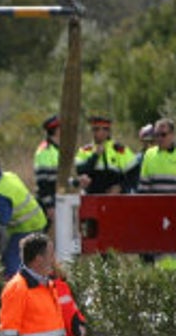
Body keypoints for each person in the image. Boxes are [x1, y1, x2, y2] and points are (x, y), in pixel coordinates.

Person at [0, 155, 47, 278]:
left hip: (26, 227)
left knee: (11, 259)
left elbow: (3, 220)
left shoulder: (0, 193)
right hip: (37, 221)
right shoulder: (8, 176)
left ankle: (15, 286)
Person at [138, 118, 176, 269]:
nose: (159, 138)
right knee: (155, 261)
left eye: (163, 134)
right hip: (155, 217)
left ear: (172, 135)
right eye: (156, 135)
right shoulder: (149, 155)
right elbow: (143, 189)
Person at [74, 115, 134, 194]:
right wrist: (95, 156)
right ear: (92, 131)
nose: (100, 132)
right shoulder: (85, 150)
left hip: (116, 199)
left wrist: (121, 187)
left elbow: (133, 175)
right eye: (96, 129)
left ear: (109, 131)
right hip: (92, 198)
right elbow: (79, 172)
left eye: (105, 129)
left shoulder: (120, 150)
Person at [34, 115, 60, 223]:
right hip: (48, 203)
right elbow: (42, 182)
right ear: (57, 131)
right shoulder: (45, 150)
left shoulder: (58, 149)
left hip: (59, 200)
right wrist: (49, 206)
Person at [123, 123, 154, 193]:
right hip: (138, 198)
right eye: (146, 142)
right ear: (142, 142)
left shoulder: (164, 158)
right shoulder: (136, 160)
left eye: (152, 141)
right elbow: (126, 180)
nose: (149, 145)